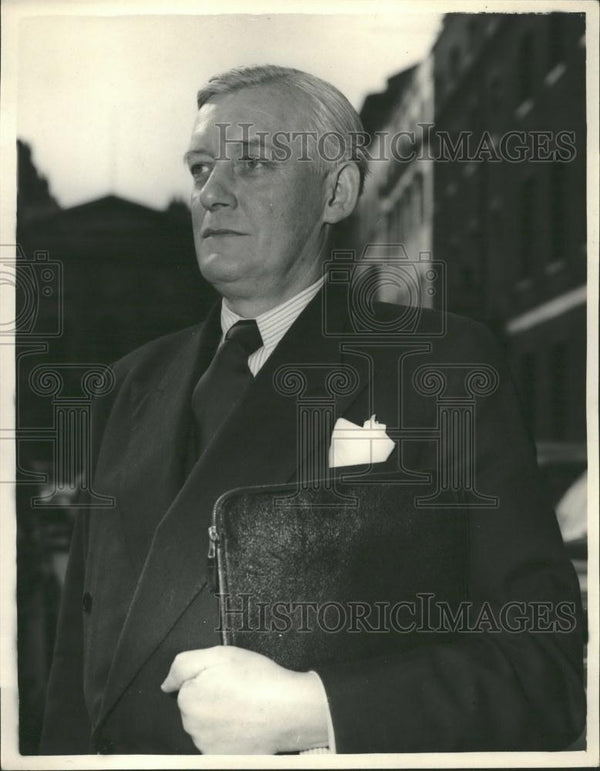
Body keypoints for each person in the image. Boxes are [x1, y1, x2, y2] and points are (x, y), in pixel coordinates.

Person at [41, 65, 585, 755]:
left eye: (255, 163)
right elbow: (73, 673)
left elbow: (545, 670)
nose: (212, 192)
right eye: (201, 167)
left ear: (336, 192)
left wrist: (319, 708)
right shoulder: (126, 385)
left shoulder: (439, 368)